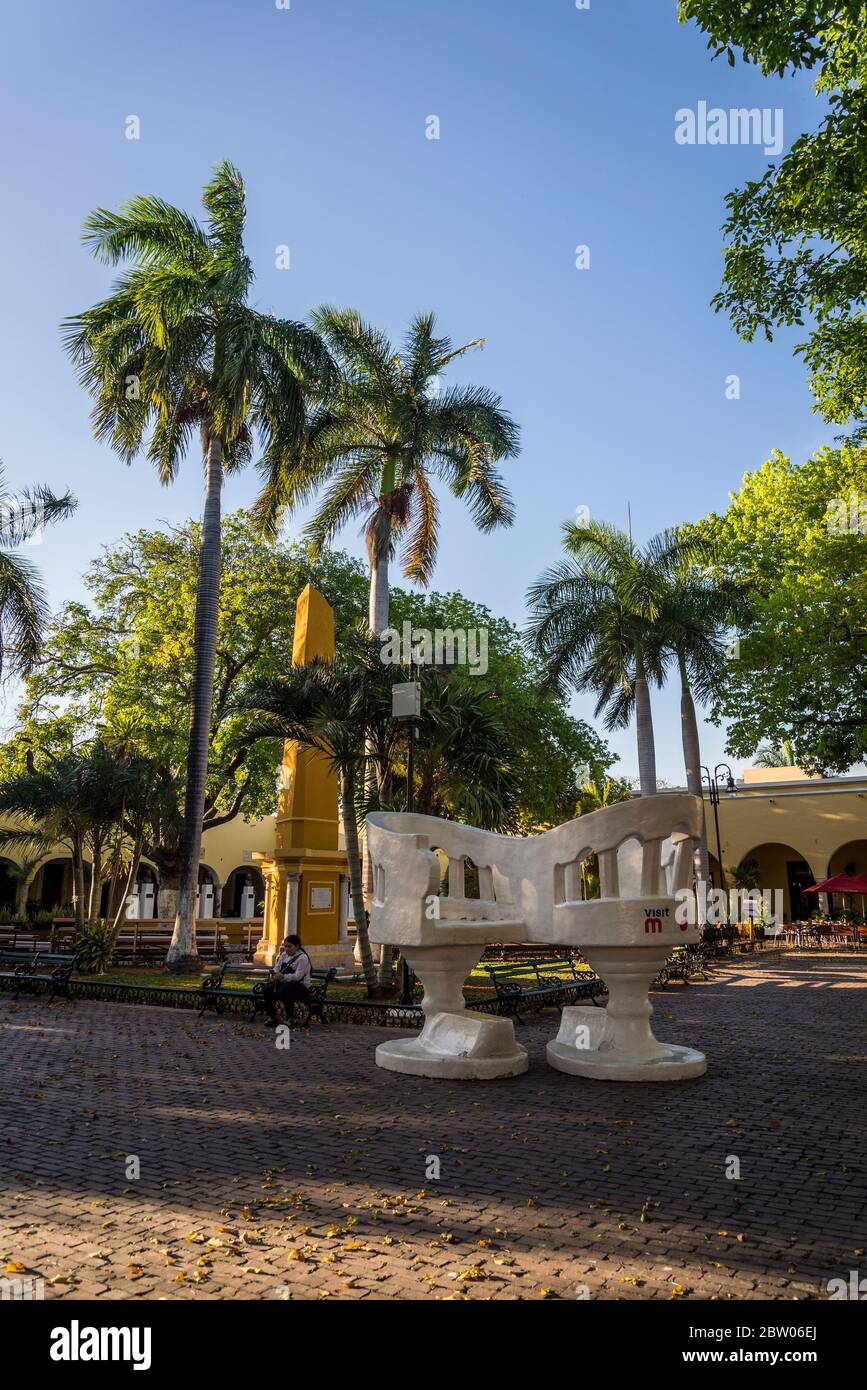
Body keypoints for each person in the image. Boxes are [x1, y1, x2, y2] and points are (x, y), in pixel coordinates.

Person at [263, 934, 312, 1025]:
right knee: (267, 989)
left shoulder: (302, 958)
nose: (287, 949)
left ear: (297, 946)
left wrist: (283, 977)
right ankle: (272, 1017)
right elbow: (277, 967)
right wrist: (274, 974)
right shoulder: (284, 955)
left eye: (289, 947)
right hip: (285, 984)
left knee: (285, 990)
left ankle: (290, 1018)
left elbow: (298, 976)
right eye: (285, 946)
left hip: (300, 986)